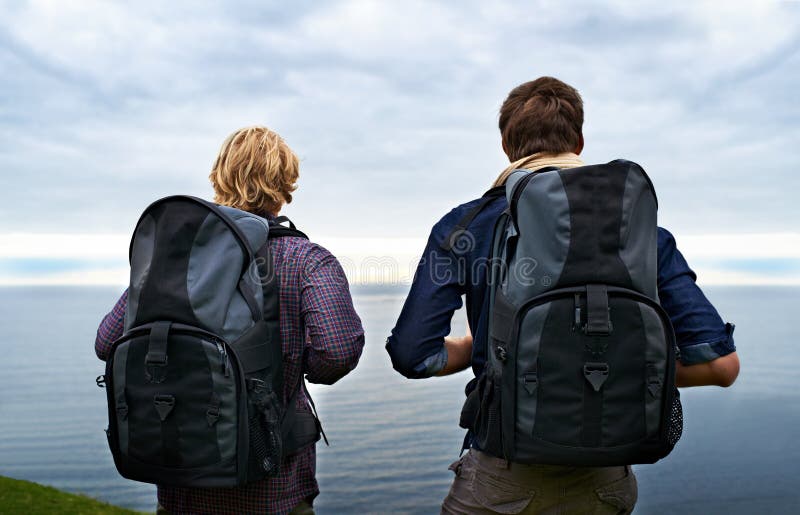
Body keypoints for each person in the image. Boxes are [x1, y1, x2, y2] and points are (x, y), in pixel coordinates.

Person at [386, 77, 740, 514]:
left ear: (506, 148)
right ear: (579, 140)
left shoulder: (466, 227)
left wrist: (489, 352)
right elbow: (721, 367)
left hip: (500, 480)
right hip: (604, 485)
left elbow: (412, 356)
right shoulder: (644, 233)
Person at [95, 126, 365, 515]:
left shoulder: (175, 258)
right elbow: (336, 353)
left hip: (181, 492)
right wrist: (288, 366)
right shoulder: (308, 260)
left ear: (219, 177)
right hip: (274, 490)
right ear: (287, 182)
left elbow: (107, 343)